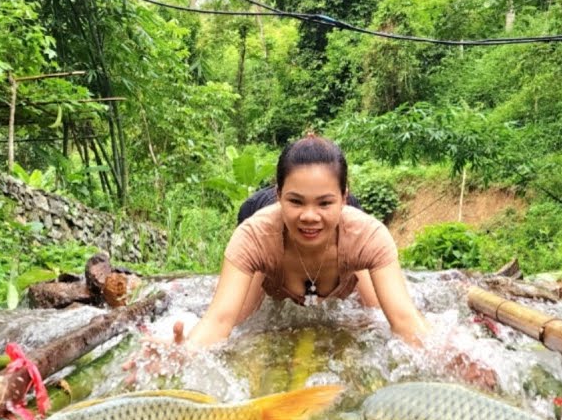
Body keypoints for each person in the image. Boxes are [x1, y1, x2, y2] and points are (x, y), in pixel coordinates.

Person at [179, 133, 433, 349]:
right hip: (271, 228)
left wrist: (448, 355)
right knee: (241, 319)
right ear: (278, 195)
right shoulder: (254, 237)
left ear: (344, 198)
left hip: (344, 229)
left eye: (324, 202)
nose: (310, 216)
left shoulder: (367, 236)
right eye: (296, 201)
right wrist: (181, 355)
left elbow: (403, 320)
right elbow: (219, 321)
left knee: (375, 313)